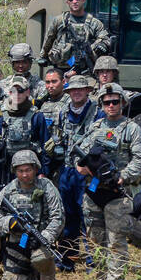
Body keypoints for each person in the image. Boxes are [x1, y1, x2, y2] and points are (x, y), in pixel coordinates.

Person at [74, 83, 141, 280]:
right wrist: (87, 169)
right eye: (107, 102)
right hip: (94, 192)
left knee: (116, 242)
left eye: (115, 101)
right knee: (95, 240)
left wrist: (122, 177)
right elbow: (79, 158)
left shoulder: (132, 129)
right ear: (102, 105)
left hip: (117, 194)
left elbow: (139, 161)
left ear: (123, 103)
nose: (111, 105)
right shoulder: (96, 128)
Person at [0, 149, 63, 280]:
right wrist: (10, 222)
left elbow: (58, 217)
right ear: (15, 171)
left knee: (40, 258)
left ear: (35, 168)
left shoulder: (46, 186)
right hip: (17, 244)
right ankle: (30, 275)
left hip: (39, 241)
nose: (25, 174)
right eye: (20, 171)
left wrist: (44, 237)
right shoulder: (9, 189)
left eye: (28, 170)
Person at [49, 74, 99, 268]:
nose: (76, 93)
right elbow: (57, 139)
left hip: (87, 173)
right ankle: (67, 259)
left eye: (80, 89)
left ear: (87, 91)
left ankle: (92, 261)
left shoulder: (97, 112)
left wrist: (89, 167)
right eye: (73, 90)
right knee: (67, 215)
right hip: (67, 171)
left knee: (89, 216)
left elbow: (102, 141)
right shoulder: (62, 112)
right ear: (68, 92)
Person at [0, 76, 51, 187]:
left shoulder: (36, 116)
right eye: (13, 91)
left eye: (20, 91)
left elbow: (45, 146)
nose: (16, 94)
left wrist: (43, 172)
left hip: (30, 169)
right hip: (5, 168)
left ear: (28, 92)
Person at [40, 0, 111, 77]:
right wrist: (43, 57)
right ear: (67, 2)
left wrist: (100, 45)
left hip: (84, 70)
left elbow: (105, 38)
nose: (74, 1)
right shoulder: (59, 21)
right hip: (62, 67)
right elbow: (48, 40)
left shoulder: (94, 23)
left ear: (83, 0)